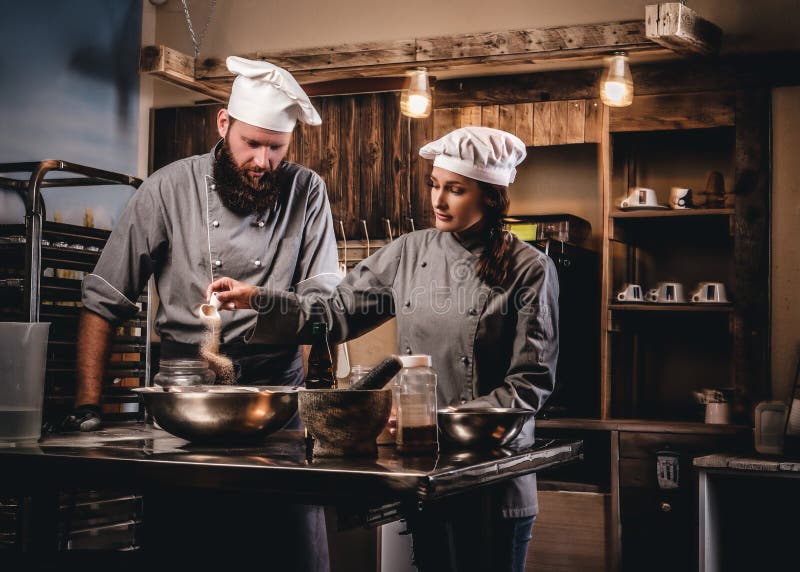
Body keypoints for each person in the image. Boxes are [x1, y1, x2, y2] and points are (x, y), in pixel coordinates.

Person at [208, 126, 559, 572]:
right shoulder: (408, 253)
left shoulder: (530, 269)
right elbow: (335, 312)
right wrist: (259, 298)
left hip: (493, 475)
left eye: (456, 190)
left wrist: (441, 421)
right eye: (435, 185)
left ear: (489, 197)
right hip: (424, 470)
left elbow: (529, 383)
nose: (438, 200)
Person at [67, 56, 339, 570]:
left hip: (276, 403)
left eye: (276, 148)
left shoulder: (307, 192)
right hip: (183, 403)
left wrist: (321, 408)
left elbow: (325, 308)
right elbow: (103, 299)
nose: (262, 161)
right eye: (251, 144)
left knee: (289, 552)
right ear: (223, 124)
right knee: (185, 550)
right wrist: (87, 407)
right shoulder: (169, 188)